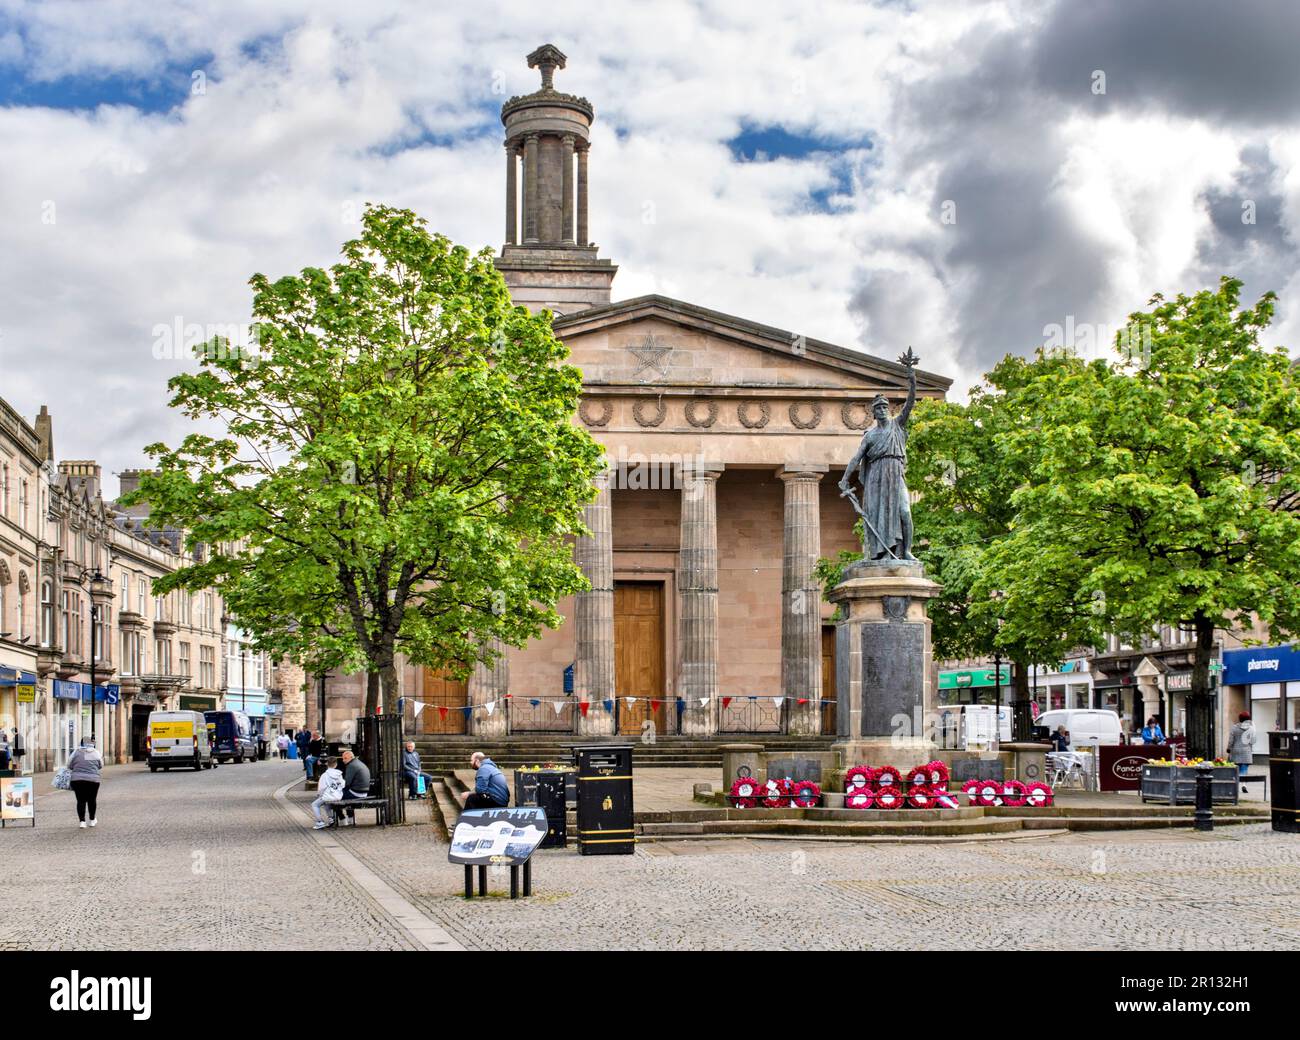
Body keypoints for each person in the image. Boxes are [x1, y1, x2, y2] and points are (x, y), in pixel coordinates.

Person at [68, 737, 104, 829]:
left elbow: (69, 765)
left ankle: (82, 822)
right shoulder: (96, 753)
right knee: (92, 800)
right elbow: (100, 765)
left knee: (80, 800)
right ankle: (92, 820)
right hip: (93, 780)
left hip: (77, 780)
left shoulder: (76, 752)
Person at [339, 749, 372, 825]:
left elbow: (347, 783)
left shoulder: (351, 766)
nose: (343, 760)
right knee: (345, 793)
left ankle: (342, 819)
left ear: (351, 757)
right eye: (343, 758)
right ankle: (351, 818)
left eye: (345, 758)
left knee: (335, 796)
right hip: (364, 793)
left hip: (357, 793)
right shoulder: (358, 763)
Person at [311, 757, 346, 829]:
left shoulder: (325, 775)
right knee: (326, 803)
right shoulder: (339, 774)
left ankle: (320, 822)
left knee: (315, 804)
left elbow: (321, 788)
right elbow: (343, 785)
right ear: (336, 764)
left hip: (328, 795)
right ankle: (331, 820)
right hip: (338, 796)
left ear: (327, 764)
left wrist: (320, 795)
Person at [1227, 711, 1256, 786]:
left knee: (1235, 769)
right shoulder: (1251, 728)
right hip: (1246, 751)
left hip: (1235, 751)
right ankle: (1244, 784)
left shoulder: (1234, 727)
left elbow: (1231, 740)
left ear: (1240, 719)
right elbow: (1253, 741)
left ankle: (1235, 785)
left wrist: (1229, 748)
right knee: (1244, 768)